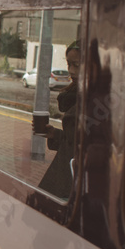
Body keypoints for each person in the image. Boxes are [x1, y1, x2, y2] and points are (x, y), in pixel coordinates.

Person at [38, 40, 81, 199]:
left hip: (71, 181)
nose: (71, 71)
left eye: (76, 65)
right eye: (69, 64)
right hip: (64, 177)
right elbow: (73, 142)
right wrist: (55, 135)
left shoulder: (96, 102)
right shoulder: (76, 97)